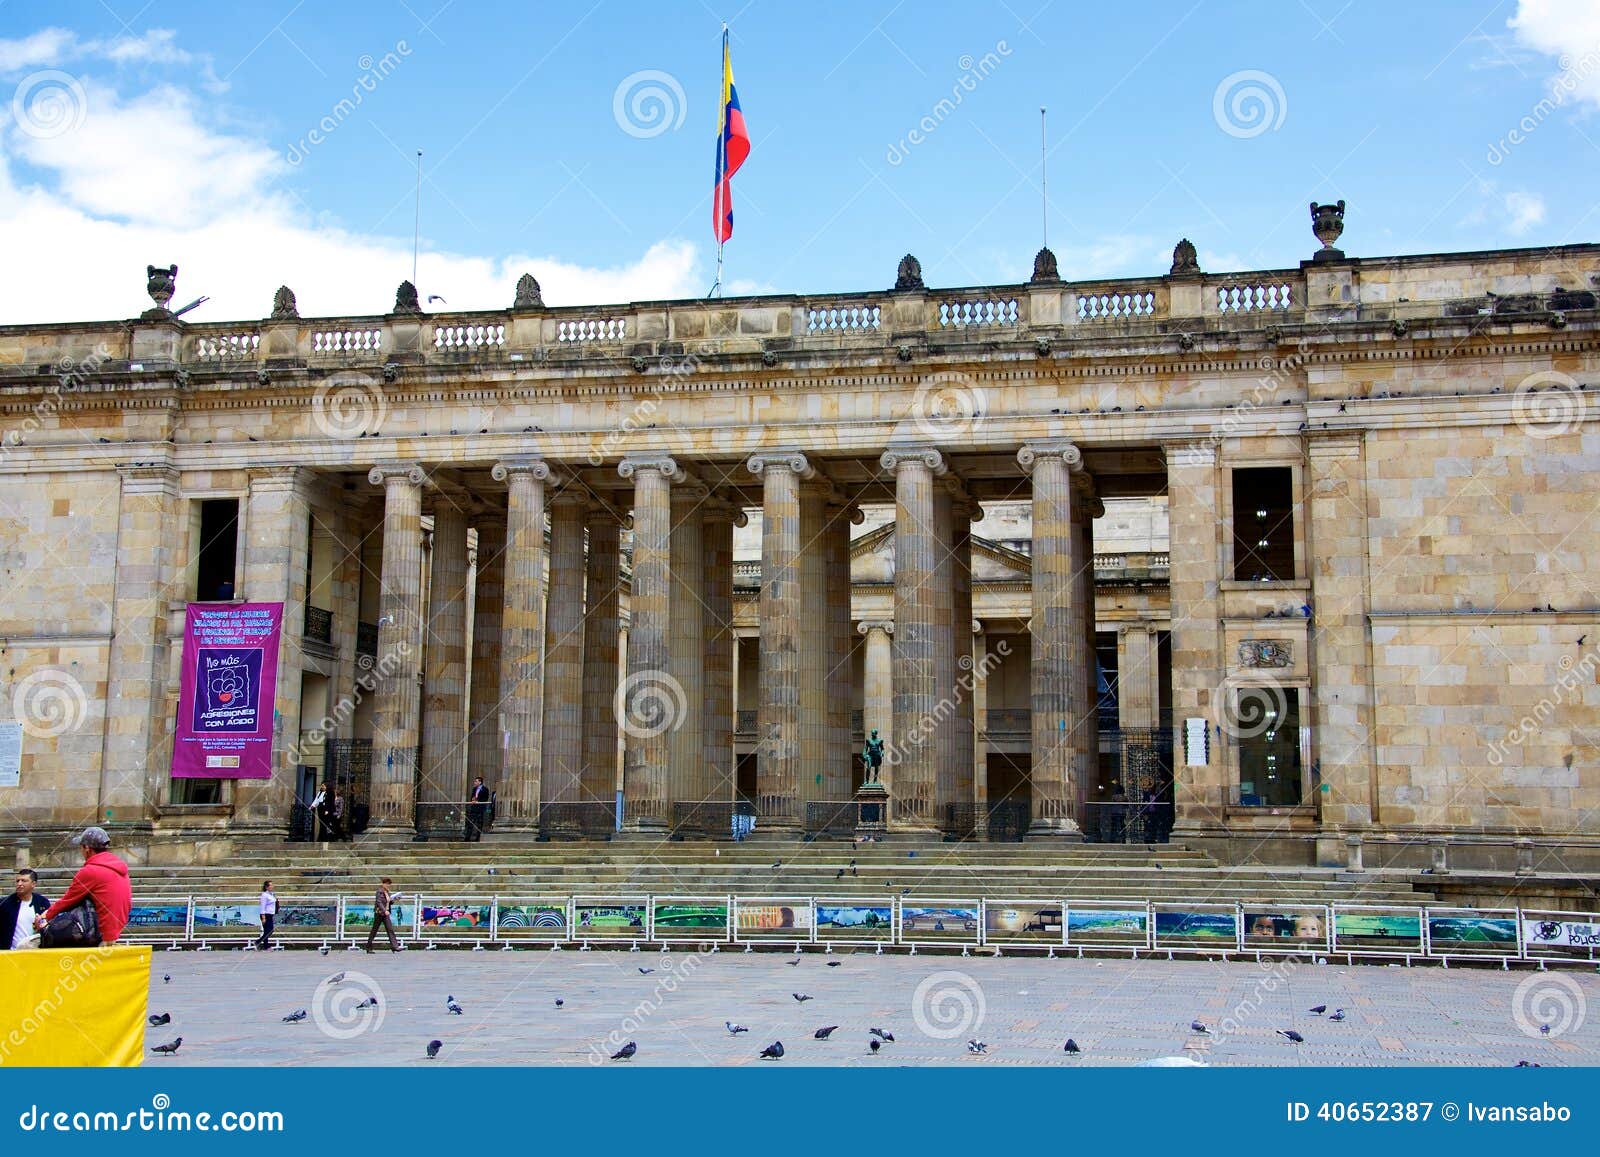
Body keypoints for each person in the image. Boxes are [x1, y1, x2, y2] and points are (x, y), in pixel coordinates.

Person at [35, 827, 131, 946]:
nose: (80, 850)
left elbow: (67, 901)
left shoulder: (90, 871)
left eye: (81, 847)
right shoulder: (118, 867)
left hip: (98, 935)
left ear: (87, 848)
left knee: (26, 946)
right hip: (114, 933)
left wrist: (44, 917)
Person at [0, 869, 50, 950]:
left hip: (35, 952)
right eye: (17, 881)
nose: (19, 884)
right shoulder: (5, 903)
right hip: (10, 953)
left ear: (33, 884)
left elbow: (49, 925)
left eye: (23, 881)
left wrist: (41, 925)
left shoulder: (42, 902)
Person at [365, 877, 402, 953]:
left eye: (389, 884)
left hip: (386, 913)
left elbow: (388, 902)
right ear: (383, 884)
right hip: (380, 913)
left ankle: (395, 946)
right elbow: (379, 902)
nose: (388, 886)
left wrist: (394, 899)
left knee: (390, 929)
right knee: (374, 930)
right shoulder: (379, 891)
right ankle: (368, 947)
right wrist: (384, 910)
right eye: (387, 884)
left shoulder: (387, 892)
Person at [465, 777, 490, 841]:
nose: (474, 783)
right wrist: (473, 800)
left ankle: (478, 838)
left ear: (480, 782)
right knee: (470, 823)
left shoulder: (485, 789)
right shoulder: (474, 789)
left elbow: (485, 798)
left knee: (479, 824)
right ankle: (467, 838)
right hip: (473, 808)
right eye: (475, 781)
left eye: (476, 781)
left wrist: (478, 801)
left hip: (480, 809)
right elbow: (472, 797)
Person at [257, 880, 276, 949]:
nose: (272, 886)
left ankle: (265, 945)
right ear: (267, 887)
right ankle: (258, 942)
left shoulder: (271, 894)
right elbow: (263, 906)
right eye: (270, 885)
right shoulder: (264, 895)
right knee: (269, 930)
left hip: (270, 914)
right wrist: (263, 917)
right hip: (266, 915)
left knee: (268, 931)